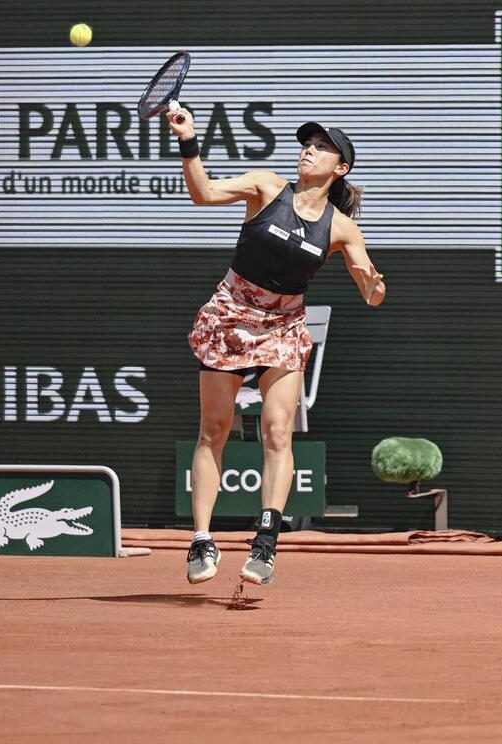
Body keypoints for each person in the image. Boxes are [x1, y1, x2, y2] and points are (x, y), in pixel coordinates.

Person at [167, 107, 386, 587]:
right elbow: (203, 195)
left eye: (323, 147)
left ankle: (266, 538)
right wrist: (189, 141)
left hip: (284, 325)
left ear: (340, 168)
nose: (309, 150)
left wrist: (371, 284)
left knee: (278, 431)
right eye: (308, 143)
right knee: (214, 430)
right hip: (230, 314)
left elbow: (371, 292)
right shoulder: (267, 186)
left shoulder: (342, 228)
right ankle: (202, 539)